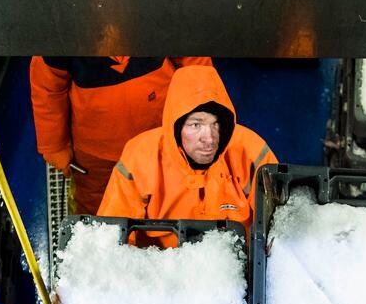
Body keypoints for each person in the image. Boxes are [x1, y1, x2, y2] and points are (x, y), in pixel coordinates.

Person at [96, 64, 276, 239]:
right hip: (159, 265)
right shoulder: (140, 156)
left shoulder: (250, 150)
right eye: (196, 124)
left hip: (236, 263)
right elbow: (111, 236)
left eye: (217, 124)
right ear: (176, 126)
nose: (209, 138)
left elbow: (279, 224)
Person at [30, 55, 213, 214]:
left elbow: (196, 66)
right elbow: (48, 88)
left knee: (172, 195)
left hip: (162, 139)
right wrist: (54, 145)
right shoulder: (63, 28)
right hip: (97, 152)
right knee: (96, 206)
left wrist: (203, 120)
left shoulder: (163, 15)